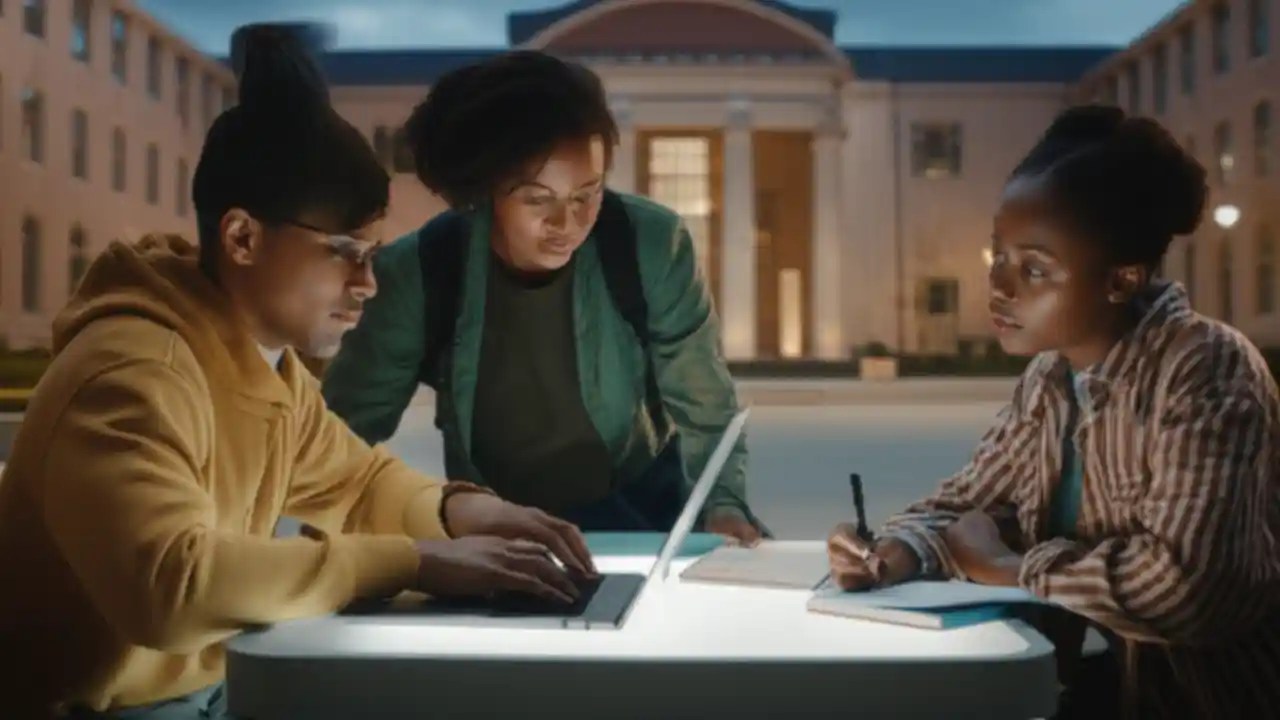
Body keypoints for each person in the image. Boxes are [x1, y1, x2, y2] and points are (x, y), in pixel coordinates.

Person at [0, 27, 594, 720]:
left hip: (207, 689)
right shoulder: (131, 374)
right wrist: (417, 562)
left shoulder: (263, 368)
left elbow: (356, 478)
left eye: (373, 253)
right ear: (243, 238)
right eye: (345, 252)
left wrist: (466, 513)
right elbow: (172, 585)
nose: (369, 283)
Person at [826, 105, 1280, 718]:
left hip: (1200, 698)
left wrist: (1012, 568)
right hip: (1076, 678)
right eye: (999, 257)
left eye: (1035, 268)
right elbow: (960, 506)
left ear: (1121, 279)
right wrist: (890, 555)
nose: (1000, 287)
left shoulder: (1206, 367)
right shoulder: (1050, 378)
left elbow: (1187, 587)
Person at [322, 51, 764, 543]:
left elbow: (703, 398)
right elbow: (348, 427)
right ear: (487, 191)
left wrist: (724, 504)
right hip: (494, 526)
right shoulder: (420, 270)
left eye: (586, 194)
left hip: (640, 512)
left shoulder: (649, 243)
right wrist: (329, 546)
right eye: (537, 199)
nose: (566, 223)